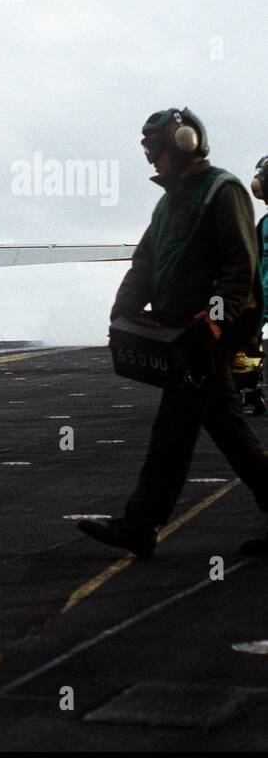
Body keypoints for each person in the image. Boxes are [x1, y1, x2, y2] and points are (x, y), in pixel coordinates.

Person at [79, 110, 268, 558]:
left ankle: (141, 523)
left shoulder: (223, 191)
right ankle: (141, 523)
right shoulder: (168, 202)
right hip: (180, 333)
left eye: (153, 149)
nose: (150, 160)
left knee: (175, 430)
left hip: (205, 334)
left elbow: (241, 265)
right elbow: (145, 261)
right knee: (217, 426)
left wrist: (217, 320)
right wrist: (122, 312)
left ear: (182, 143)